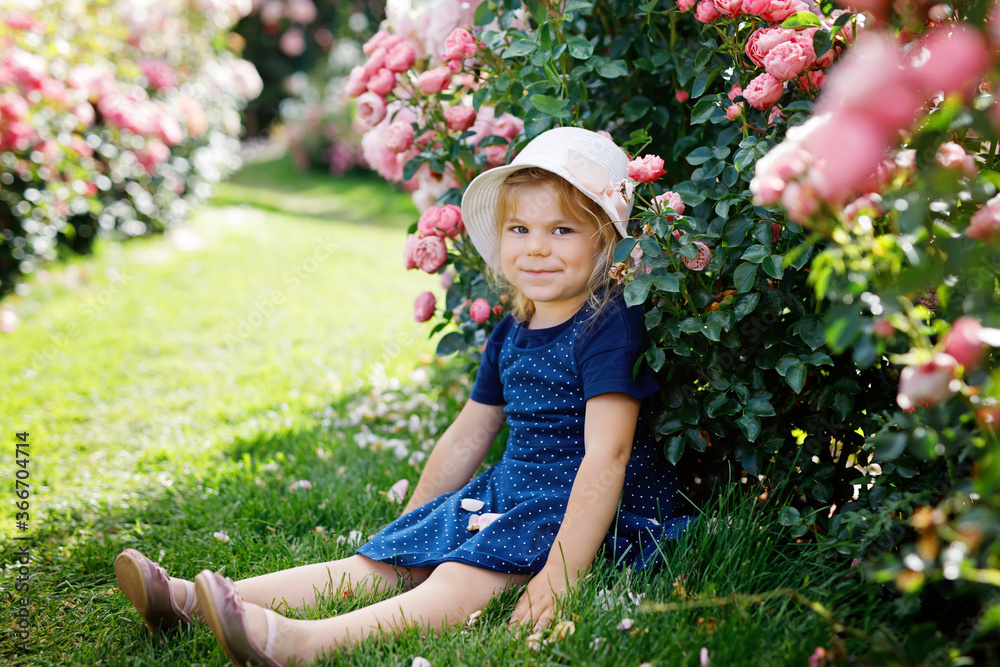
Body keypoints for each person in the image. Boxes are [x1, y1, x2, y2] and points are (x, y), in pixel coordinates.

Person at [114, 126, 692, 666]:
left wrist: (560, 576)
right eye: (521, 230)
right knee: (380, 563)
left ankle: (300, 643)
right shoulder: (513, 328)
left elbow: (607, 456)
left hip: (584, 511)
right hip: (514, 492)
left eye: (561, 231)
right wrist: (414, 523)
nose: (536, 249)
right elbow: (469, 431)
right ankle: (195, 602)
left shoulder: (607, 327)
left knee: (456, 581)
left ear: (607, 241)